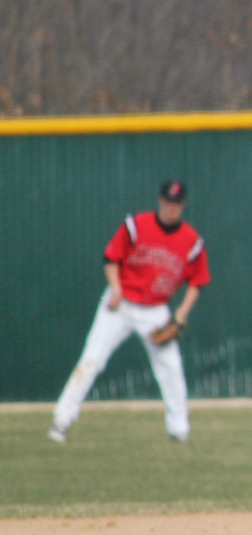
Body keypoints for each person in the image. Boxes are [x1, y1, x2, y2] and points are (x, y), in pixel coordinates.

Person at [48, 179, 210, 443]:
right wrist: (116, 289)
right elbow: (111, 258)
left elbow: (198, 280)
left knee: (171, 369)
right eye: (168, 202)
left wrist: (181, 314)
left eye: (177, 203)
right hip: (120, 304)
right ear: (160, 201)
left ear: (184, 205)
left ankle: (179, 431)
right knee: (91, 360)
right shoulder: (136, 226)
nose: (172, 208)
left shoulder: (192, 241)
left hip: (156, 310)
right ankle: (61, 421)